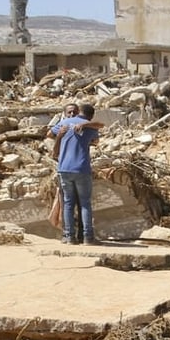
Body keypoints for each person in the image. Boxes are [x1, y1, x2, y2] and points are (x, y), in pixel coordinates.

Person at [50, 103, 100, 245]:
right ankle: (87, 237)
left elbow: (49, 134)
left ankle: (68, 236)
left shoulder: (64, 123)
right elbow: (95, 141)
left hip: (64, 168)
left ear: (78, 112)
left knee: (68, 203)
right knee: (85, 203)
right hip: (82, 168)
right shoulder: (89, 125)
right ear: (90, 115)